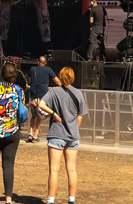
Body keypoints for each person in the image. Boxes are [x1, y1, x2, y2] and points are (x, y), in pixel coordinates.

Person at [36, 66, 88, 204]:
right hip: (73, 137)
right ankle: (71, 199)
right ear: (72, 78)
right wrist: (74, 130)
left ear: (60, 76)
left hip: (57, 134)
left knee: (54, 169)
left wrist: (53, 113)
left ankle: (50, 200)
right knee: (71, 169)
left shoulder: (54, 91)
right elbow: (80, 117)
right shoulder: (78, 93)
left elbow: (41, 104)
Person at [0, 62, 26, 204]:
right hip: (12, 132)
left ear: (1, 73)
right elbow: (21, 108)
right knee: (8, 165)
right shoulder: (19, 90)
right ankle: (8, 200)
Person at [27, 56, 58, 143]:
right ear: (45, 63)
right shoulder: (48, 70)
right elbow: (56, 80)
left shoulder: (33, 69)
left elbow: (30, 79)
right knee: (40, 116)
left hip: (33, 95)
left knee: (33, 115)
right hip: (43, 97)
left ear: (38, 62)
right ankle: (35, 135)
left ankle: (30, 133)